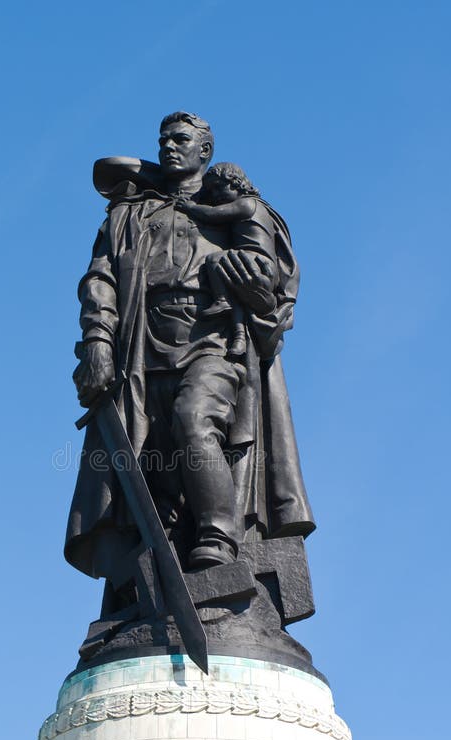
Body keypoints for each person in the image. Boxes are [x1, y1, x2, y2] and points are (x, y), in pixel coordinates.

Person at [66, 111, 314, 597]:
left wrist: (257, 291)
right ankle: (161, 568)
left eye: (181, 139)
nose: (169, 146)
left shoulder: (233, 206)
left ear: (206, 150)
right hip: (141, 344)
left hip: (214, 339)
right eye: (163, 139)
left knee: (194, 419)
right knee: (151, 456)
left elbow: (273, 287)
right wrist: (97, 341)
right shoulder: (128, 214)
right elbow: (101, 280)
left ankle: (218, 537)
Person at [175, 162, 273, 359]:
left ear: (236, 183)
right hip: (248, 260)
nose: (216, 194)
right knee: (236, 294)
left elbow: (213, 214)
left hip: (256, 260)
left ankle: (221, 300)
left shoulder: (248, 204)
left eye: (220, 187)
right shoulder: (254, 205)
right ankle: (239, 338)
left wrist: (191, 207)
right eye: (212, 190)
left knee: (214, 260)